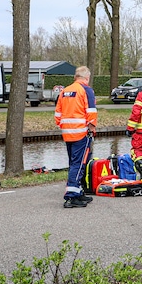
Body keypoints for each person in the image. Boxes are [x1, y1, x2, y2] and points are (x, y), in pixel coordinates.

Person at [53, 66, 97, 208]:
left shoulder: (65, 91)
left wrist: (65, 126)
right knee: (79, 164)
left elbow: (58, 114)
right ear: (86, 77)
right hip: (81, 133)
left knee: (74, 163)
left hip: (67, 133)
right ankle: (71, 196)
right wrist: (92, 128)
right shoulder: (86, 90)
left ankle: (78, 192)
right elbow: (91, 111)